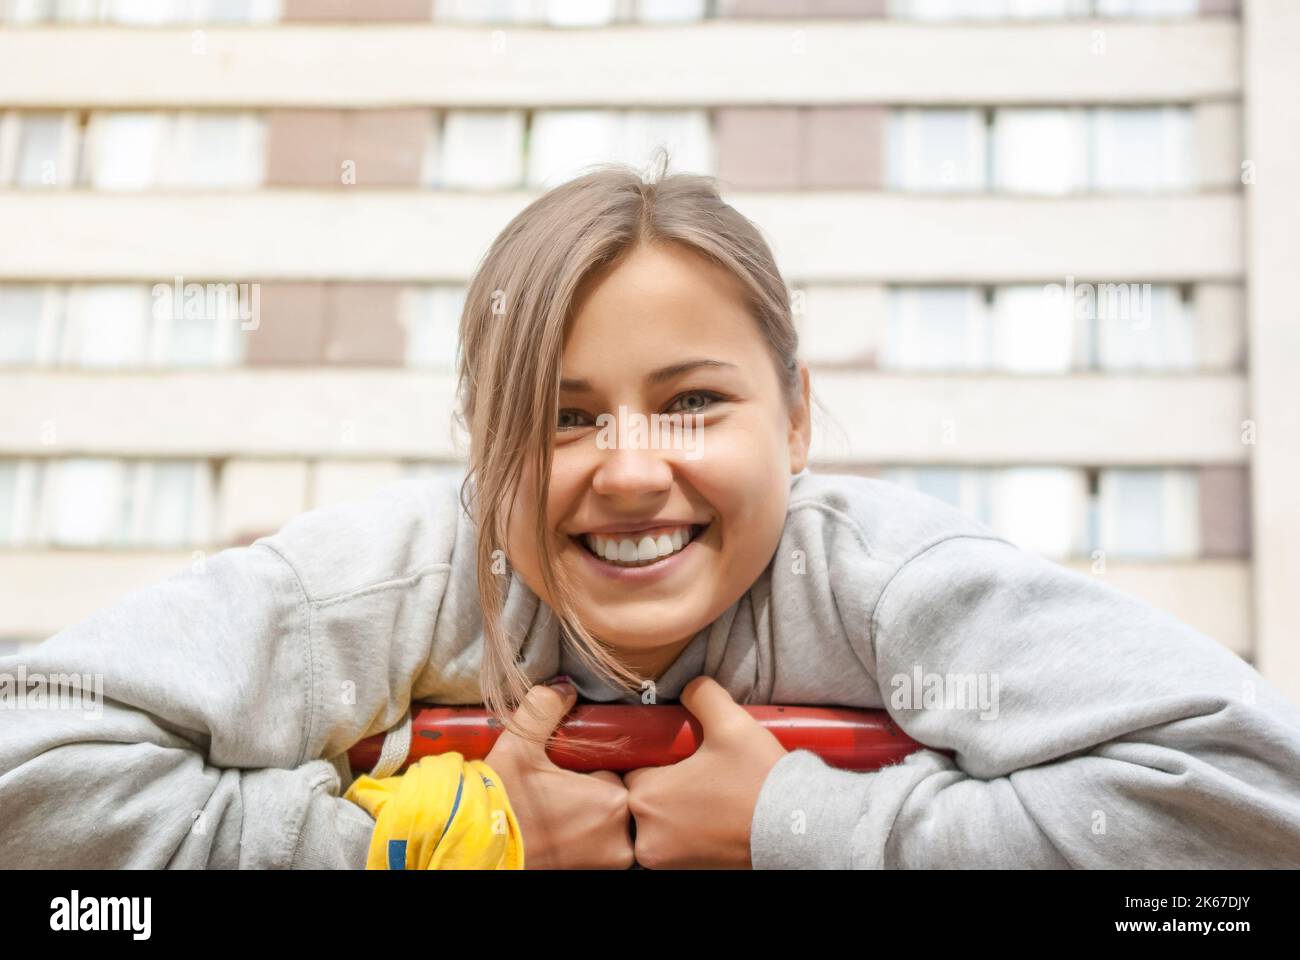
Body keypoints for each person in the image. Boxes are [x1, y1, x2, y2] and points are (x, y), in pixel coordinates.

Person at [2, 159, 1299, 870]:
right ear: (479, 445)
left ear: (793, 421)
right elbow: (29, 772)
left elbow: (1248, 799)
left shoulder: (895, 586)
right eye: (563, 417)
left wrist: (811, 828)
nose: (628, 469)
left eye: (690, 403)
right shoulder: (381, 587)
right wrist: (418, 854)